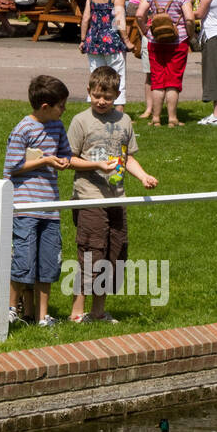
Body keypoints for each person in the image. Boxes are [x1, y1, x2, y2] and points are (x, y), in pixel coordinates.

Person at [67, 66, 158, 323]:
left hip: (117, 197)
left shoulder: (124, 121)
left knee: (114, 253)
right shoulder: (81, 121)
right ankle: (77, 312)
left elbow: (126, 158)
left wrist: (143, 176)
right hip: (89, 196)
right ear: (89, 92)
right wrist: (96, 165)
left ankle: (98, 312)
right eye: (97, 95)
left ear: (117, 95)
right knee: (91, 252)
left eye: (107, 97)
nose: (102, 101)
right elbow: (68, 159)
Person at [3, 74, 72, 327]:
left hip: (50, 208)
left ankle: (43, 316)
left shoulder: (58, 126)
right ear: (45, 107)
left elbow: (65, 154)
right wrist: (44, 160)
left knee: (48, 263)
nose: (64, 110)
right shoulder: (23, 129)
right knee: (22, 260)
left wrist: (63, 161)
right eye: (61, 106)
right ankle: (11, 307)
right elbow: (12, 167)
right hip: (25, 207)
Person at [135, 0, 196, 126]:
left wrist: (147, 33)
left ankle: (155, 118)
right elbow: (189, 18)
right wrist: (190, 34)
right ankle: (172, 118)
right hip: (178, 41)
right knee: (173, 80)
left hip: (156, 40)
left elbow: (140, 14)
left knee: (157, 80)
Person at [79, 0, 134, 104]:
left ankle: (95, 108)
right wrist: (127, 41)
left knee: (96, 76)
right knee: (117, 77)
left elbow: (85, 18)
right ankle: (118, 112)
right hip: (112, 40)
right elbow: (119, 17)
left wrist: (83, 40)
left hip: (93, 39)